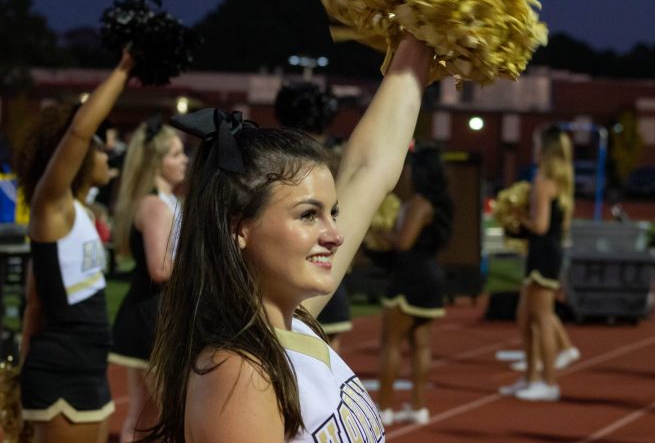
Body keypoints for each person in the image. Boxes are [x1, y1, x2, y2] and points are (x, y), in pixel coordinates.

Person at [145, 34, 432, 442]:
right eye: (308, 215)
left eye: (331, 213)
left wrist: (419, 37)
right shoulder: (238, 371)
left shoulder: (294, 325)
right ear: (239, 227)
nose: (334, 235)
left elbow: (369, 167)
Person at [14, 51, 134, 443]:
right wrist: (124, 68)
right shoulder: (53, 208)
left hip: (88, 364)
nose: (105, 152)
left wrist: (21, 366)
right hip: (62, 368)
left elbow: (35, 302)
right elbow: (79, 131)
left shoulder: (81, 212)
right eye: (100, 146)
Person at [108, 116, 187, 442]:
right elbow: (161, 269)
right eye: (175, 154)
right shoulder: (155, 204)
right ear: (156, 161)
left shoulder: (164, 200)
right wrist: (204, 267)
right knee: (168, 414)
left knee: (145, 415)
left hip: (150, 312)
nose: (184, 160)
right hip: (153, 317)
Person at [376, 145, 453, 426]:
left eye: (409, 167)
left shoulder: (419, 204)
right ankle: (418, 406)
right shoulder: (438, 203)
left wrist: (379, 231)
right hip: (431, 275)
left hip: (411, 277)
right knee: (421, 344)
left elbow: (404, 242)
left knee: (391, 343)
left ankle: (383, 408)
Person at [273, 82, 352, 353]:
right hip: (305, 279)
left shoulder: (269, 163)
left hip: (291, 281)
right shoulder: (329, 164)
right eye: (308, 214)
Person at [499, 125, 575, 402]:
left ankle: (549, 382)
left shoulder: (544, 182)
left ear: (546, 150)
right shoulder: (562, 182)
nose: (533, 150)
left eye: (536, 145)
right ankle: (530, 377)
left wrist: (517, 217)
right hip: (546, 253)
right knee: (525, 317)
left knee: (541, 319)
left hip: (543, 253)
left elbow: (540, 226)